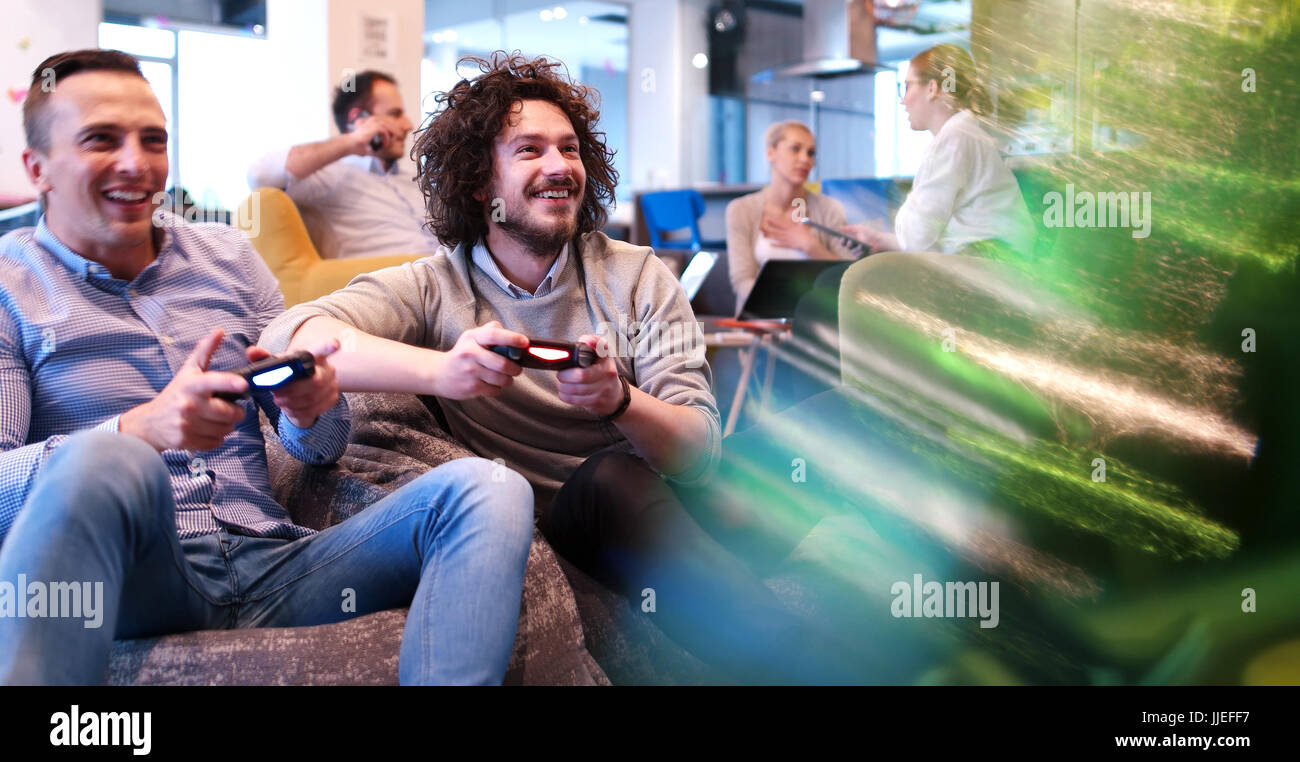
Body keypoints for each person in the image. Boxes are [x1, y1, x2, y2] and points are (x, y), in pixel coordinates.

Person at [261, 53, 862, 684]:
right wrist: (442, 373)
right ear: (479, 183)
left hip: (679, 494)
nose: (558, 167)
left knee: (846, 411)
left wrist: (620, 401)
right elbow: (293, 334)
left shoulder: (634, 275)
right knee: (610, 480)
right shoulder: (436, 286)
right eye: (528, 150)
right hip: (584, 520)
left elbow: (700, 454)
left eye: (569, 149)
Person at [0, 49, 534, 685]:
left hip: (275, 561)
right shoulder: (11, 289)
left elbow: (320, 449)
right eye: (100, 141)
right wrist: (140, 429)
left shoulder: (227, 257)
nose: (137, 164)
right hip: (137, 579)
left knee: (492, 489)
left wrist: (311, 411)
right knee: (106, 459)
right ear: (38, 169)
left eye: (153, 140)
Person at [844, 44, 1035, 260]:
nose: (902, 99)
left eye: (906, 87)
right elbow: (928, 237)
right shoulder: (964, 133)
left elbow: (917, 236)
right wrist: (879, 240)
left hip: (989, 263)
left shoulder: (955, 138)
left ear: (932, 88)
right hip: (993, 259)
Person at [246, 70, 439, 258]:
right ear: (358, 119)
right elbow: (260, 175)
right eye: (395, 114)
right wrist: (354, 141)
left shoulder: (413, 178)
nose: (408, 125)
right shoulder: (330, 177)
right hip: (392, 282)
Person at [725, 120, 857, 311]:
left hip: (815, 319)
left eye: (811, 153)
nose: (805, 159)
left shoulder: (830, 209)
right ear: (771, 153)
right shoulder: (741, 210)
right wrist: (780, 308)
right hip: (759, 322)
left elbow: (848, 276)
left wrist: (810, 246)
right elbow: (742, 281)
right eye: (795, 149)